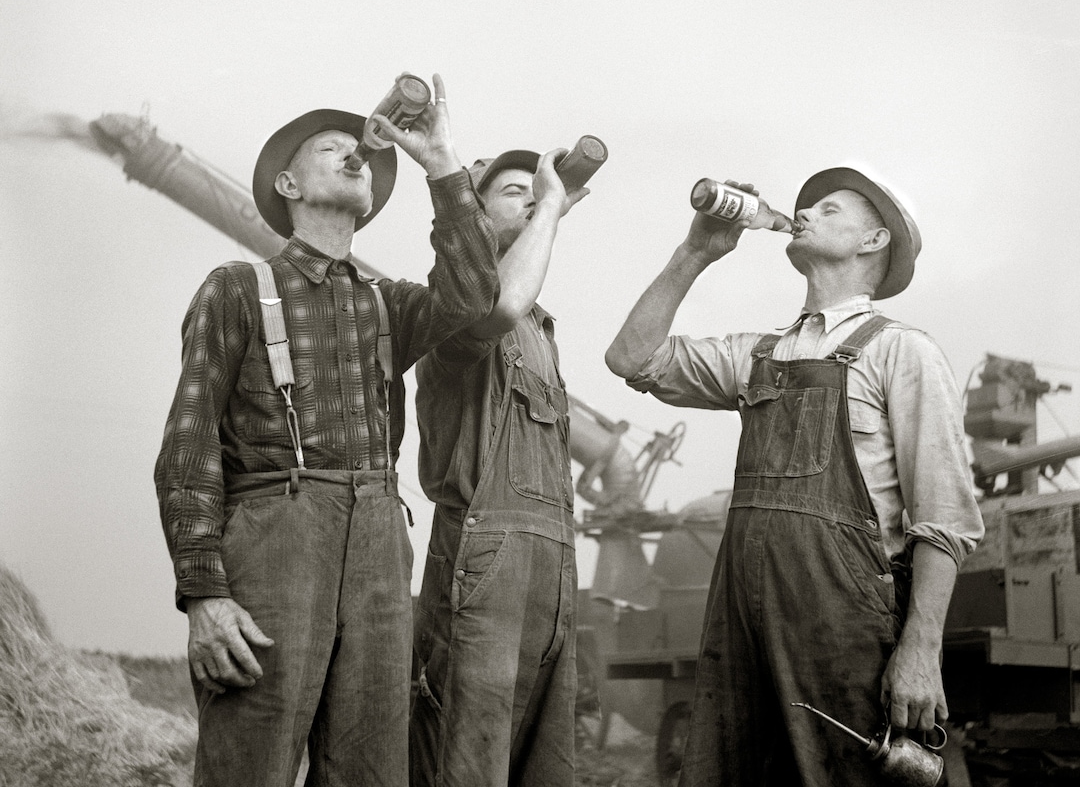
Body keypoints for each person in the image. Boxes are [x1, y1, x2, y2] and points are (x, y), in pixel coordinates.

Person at [153, 75, 500, 787]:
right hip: (273, 542)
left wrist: (440, 161)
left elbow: (474, 296)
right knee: (250, 762)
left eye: (361, 152)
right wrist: (205, 596)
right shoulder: (237, 289)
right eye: (331, 148)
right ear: (287, 183)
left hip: (378, 543)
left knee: (372, 768)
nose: (356, 156)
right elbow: (188, 452)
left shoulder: (387, 305)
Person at [605, 167, 984, 786]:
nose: (804, 214)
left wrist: (920, 652)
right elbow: (633, 357)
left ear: (874, 241)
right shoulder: (758, 354)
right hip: (741, 630)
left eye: (830, 210)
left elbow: (944, 523)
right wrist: (697, 250)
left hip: (845, 631)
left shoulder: (902, 352)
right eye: (807, 208)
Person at [409, 148, 587, 786]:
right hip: (481, 565)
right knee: (464, 765)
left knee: (543, 767)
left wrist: (547, 208)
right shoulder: (454, 313)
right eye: (515, 191)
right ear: (475, 220)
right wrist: (555, 211)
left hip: (550, 570)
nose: (534, 198)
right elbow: (499, 303)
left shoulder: (542, 333)